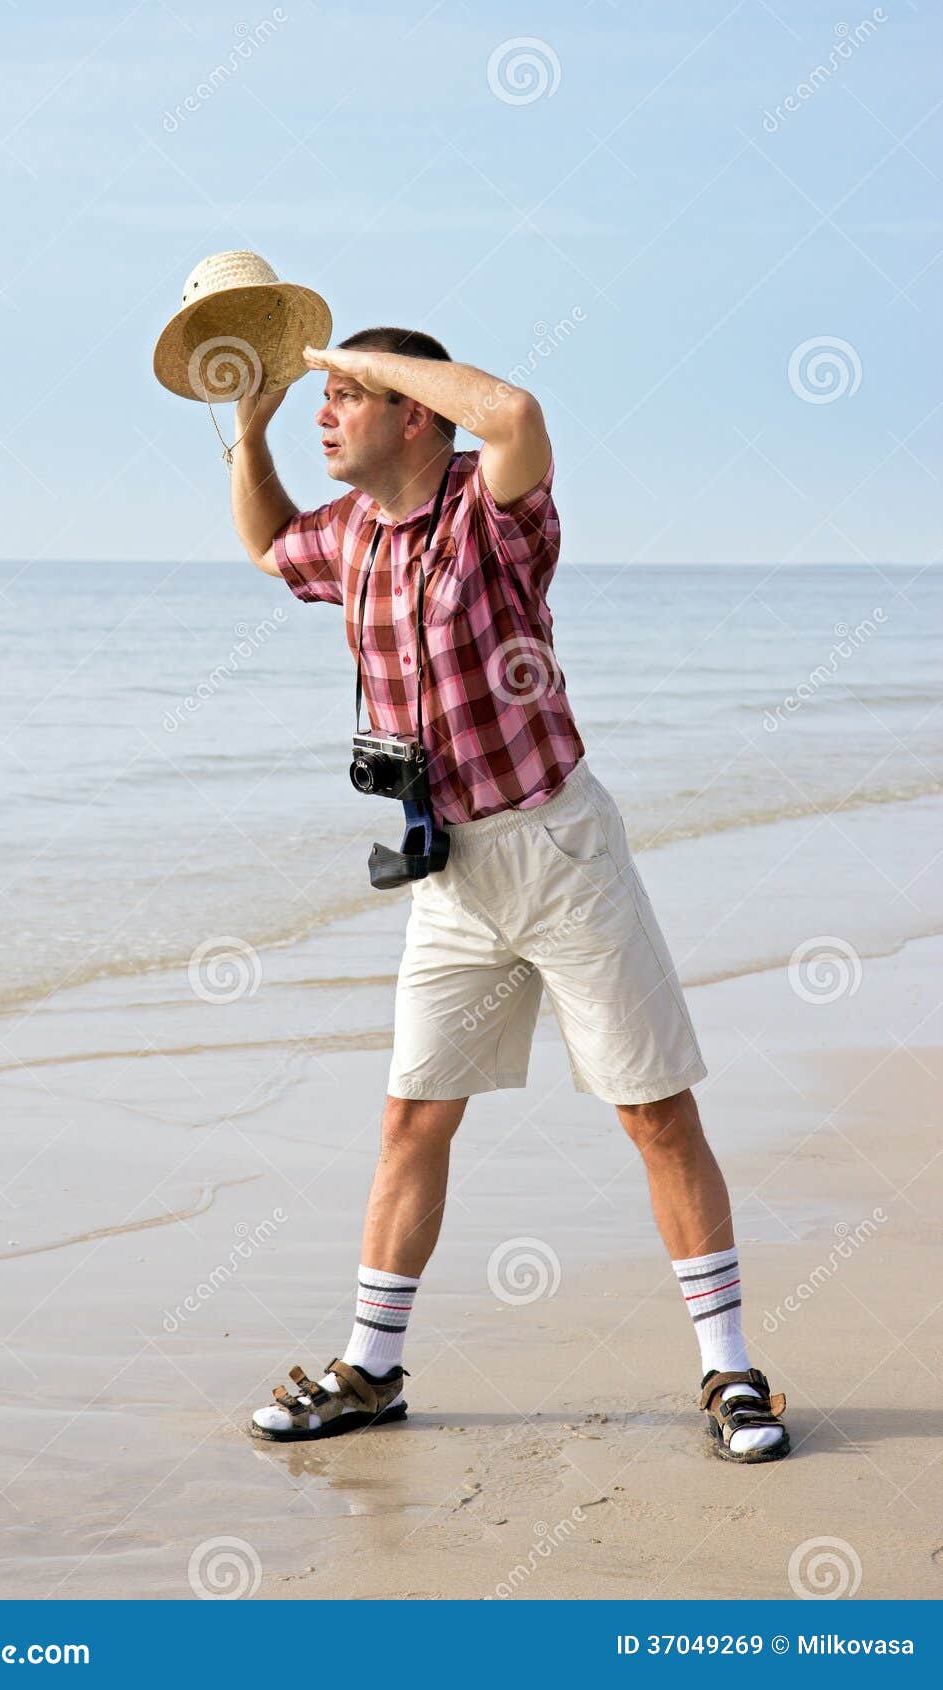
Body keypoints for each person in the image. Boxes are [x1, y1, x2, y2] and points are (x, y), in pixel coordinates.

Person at [228, 327, 789, 1464]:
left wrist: (351, 346)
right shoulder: (351, 538)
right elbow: (268, 546)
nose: (324, 413)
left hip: (561, 853)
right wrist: (247, 429)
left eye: (347, 399)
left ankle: (731, 1369)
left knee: (653, 1112)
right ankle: (371, 1371)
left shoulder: (492, 511)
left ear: (415, 416)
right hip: (451, 875)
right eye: (321, 399)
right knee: (413, 1115)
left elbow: (517, 410)